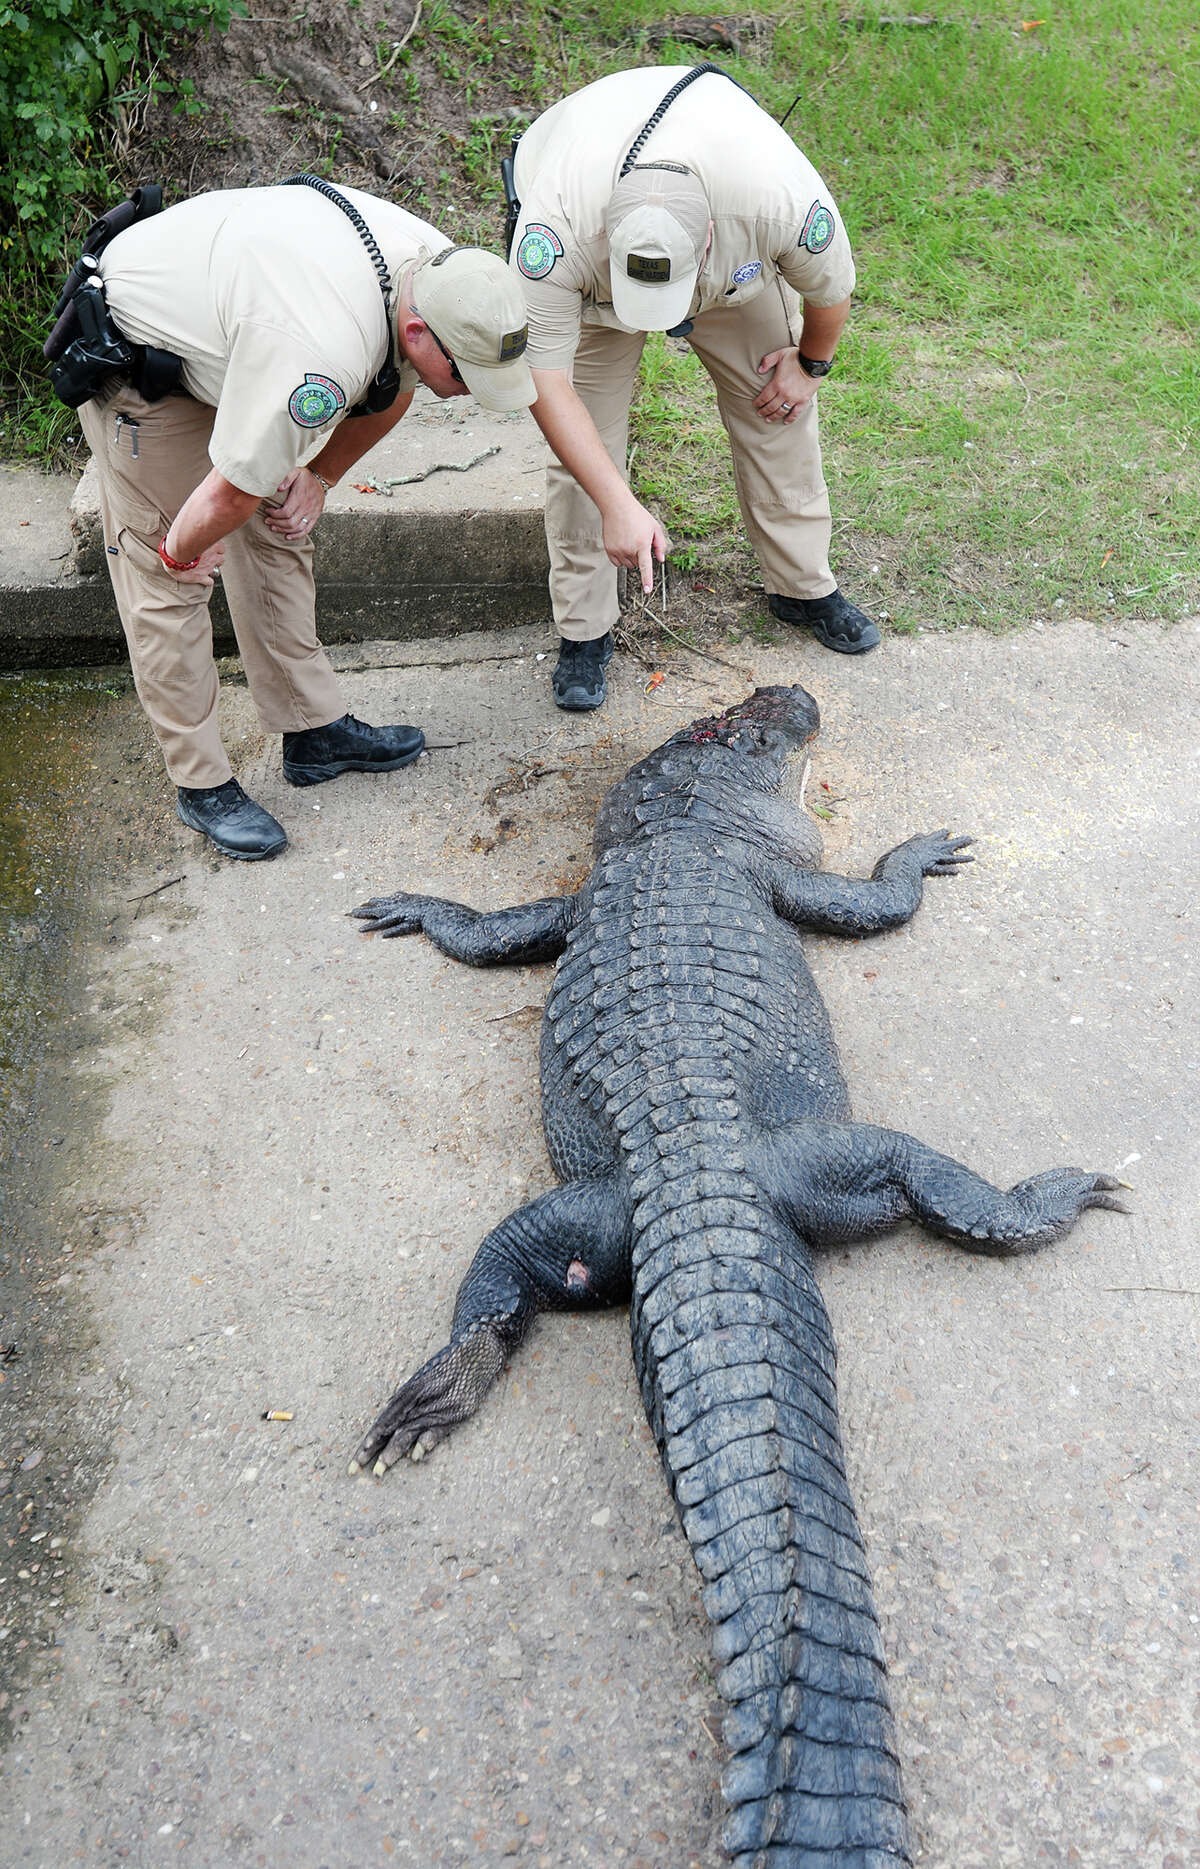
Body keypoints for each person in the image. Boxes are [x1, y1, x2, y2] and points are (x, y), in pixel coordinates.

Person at [74, 183, 535, 859]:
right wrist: (176, 550)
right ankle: (202, 784)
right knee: (169, 575)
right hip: (143, 359)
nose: (466, 394)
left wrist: (319, 478)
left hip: (239, 336)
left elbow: (394, 386)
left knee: (282, 522)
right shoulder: (321, 351)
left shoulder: (445, 275)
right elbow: (229, 495)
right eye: (465, 378)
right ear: (418, 331)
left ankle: (310, 730)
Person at [508, 64, 879, 713]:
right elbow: (547, 383)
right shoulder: (554, 230)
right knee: (582, 451)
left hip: (734, 273)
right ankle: (583, 630)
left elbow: (833, 290)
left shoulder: (775, 198)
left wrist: (810, 366)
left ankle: (801, 585)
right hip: (596, 284)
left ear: (708, 233)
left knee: (778, 408)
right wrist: (615, 499)